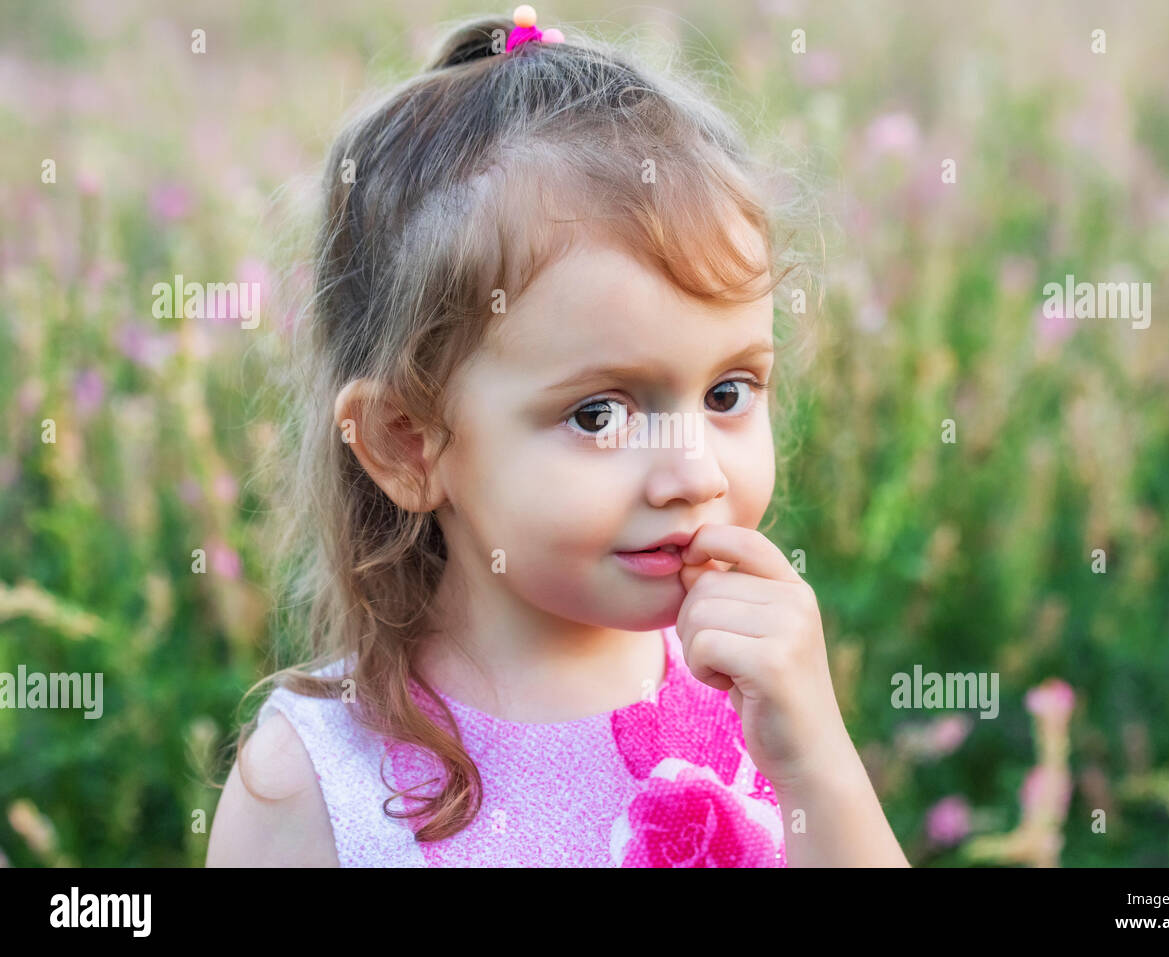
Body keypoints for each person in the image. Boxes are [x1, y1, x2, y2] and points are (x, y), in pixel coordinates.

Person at [207, 6, 908, 867]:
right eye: (599, 414)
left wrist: (818, 768)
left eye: (729, 391)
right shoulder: (315, 783)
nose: (692, 473)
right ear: (408, 443)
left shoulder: (755, 706)